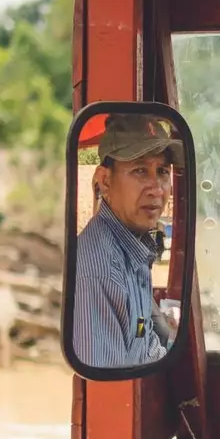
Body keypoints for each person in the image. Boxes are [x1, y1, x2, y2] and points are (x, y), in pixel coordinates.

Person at [73, 115, 176, 368]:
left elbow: (142, 340)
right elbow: (109, 392)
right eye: (140, 170)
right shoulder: (100, 271)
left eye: (162, 172)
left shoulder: (133, 248)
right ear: (105, 182)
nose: (157, 189)